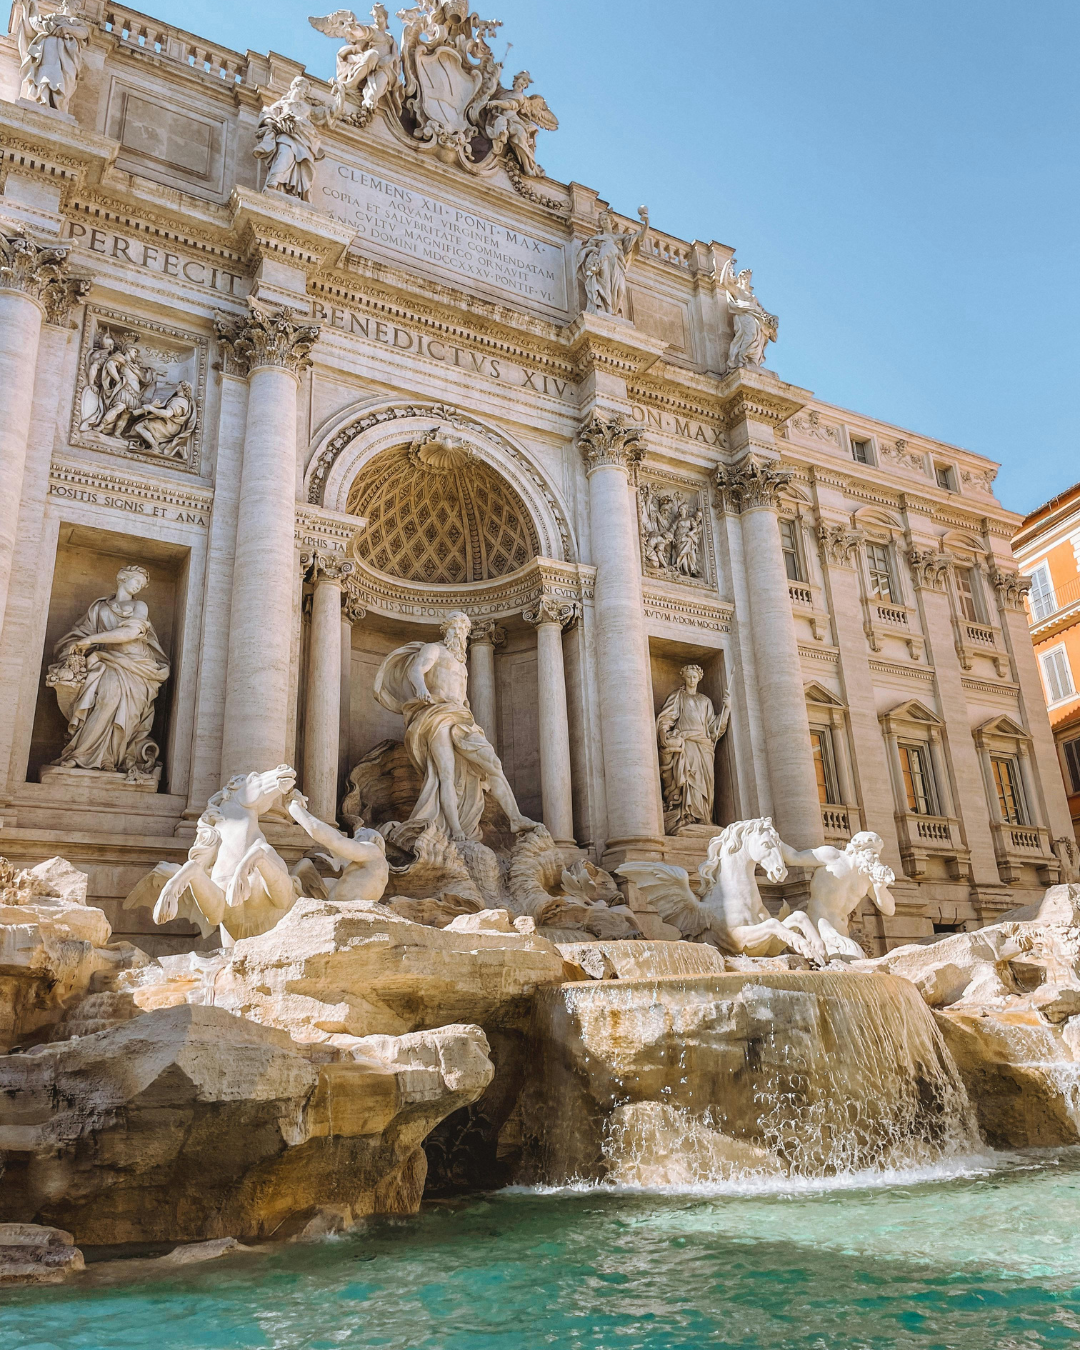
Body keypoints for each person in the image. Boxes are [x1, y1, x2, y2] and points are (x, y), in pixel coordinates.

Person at [374, 611, 539, 842]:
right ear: (446, 630)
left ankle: (516, 818)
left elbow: (462, 697)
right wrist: (421, 688)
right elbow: (416, 669)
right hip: (436, 714)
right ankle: (455, 830)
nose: (459, 634)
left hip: (461, 718)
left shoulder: (462, 666)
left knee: (493, 764)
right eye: (455, 628)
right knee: (446, 774)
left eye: (463, 630)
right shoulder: (434, 649)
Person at [48, 565, 170, 779]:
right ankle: (82, 755)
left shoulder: (139, 605)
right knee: (105, 698)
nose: (139, 586)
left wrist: (91, 640)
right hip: (106, 659)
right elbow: (82, 633)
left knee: (123, 707)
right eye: (136, 581)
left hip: (137, 665)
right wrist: (78, 645)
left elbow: (131, 632)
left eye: (142, 584)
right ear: (122, 578)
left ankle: (111, 759)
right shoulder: (99, 607)